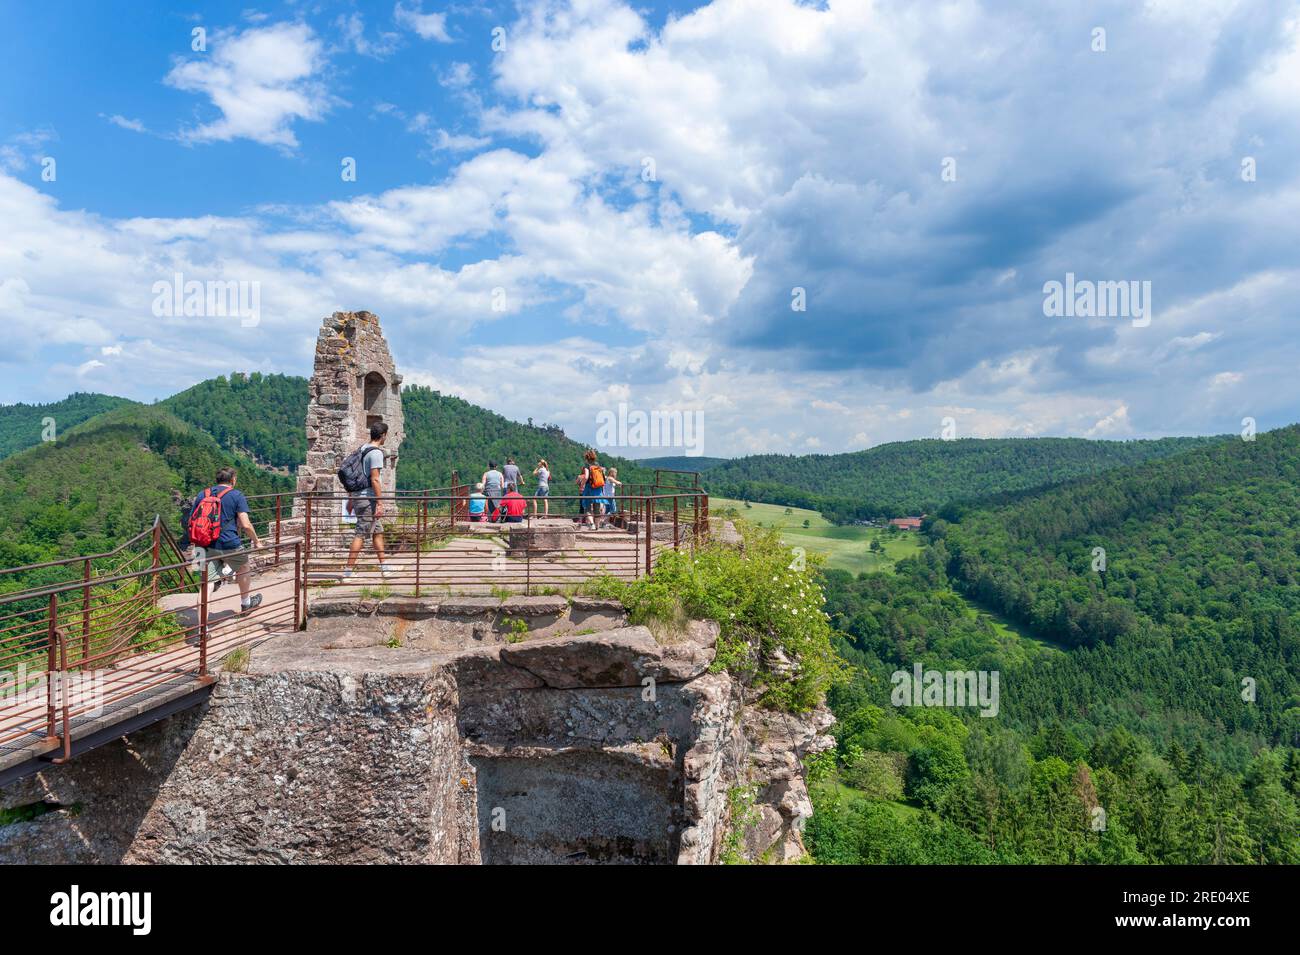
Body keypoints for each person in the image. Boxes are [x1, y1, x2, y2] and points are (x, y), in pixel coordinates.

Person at [188, 466, 264, 614]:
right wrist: (257, 541)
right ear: (233, 480)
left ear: (217, 480)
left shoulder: (202, 494)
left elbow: (191, 520)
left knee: (206, 586)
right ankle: (246, 603)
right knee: (243, 565)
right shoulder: (237, 495)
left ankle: (203, 630)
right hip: (228, 542)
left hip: (202, 543)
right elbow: (246, 525)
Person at [344, 422, 393, 579]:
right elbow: (375, 480)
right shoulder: (376, 453)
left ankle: (384, 567)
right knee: (361, 533)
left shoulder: (363, 448)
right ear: (383, 435)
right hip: (368, 500)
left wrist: (351, 498)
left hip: (359, 497)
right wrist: (379, 502)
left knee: (377, 532)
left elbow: (356, 474)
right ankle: (348, 572)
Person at [578, 449, 606, 529]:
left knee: (587, 506)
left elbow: (586, 476)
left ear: (586, 457)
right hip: (598, 488)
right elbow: (603, 477)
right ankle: (597, 526)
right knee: (597, 507)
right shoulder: (598, 465)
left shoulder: (587, 465)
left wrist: (582, 485)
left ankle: (592, 524)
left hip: (589, 488)